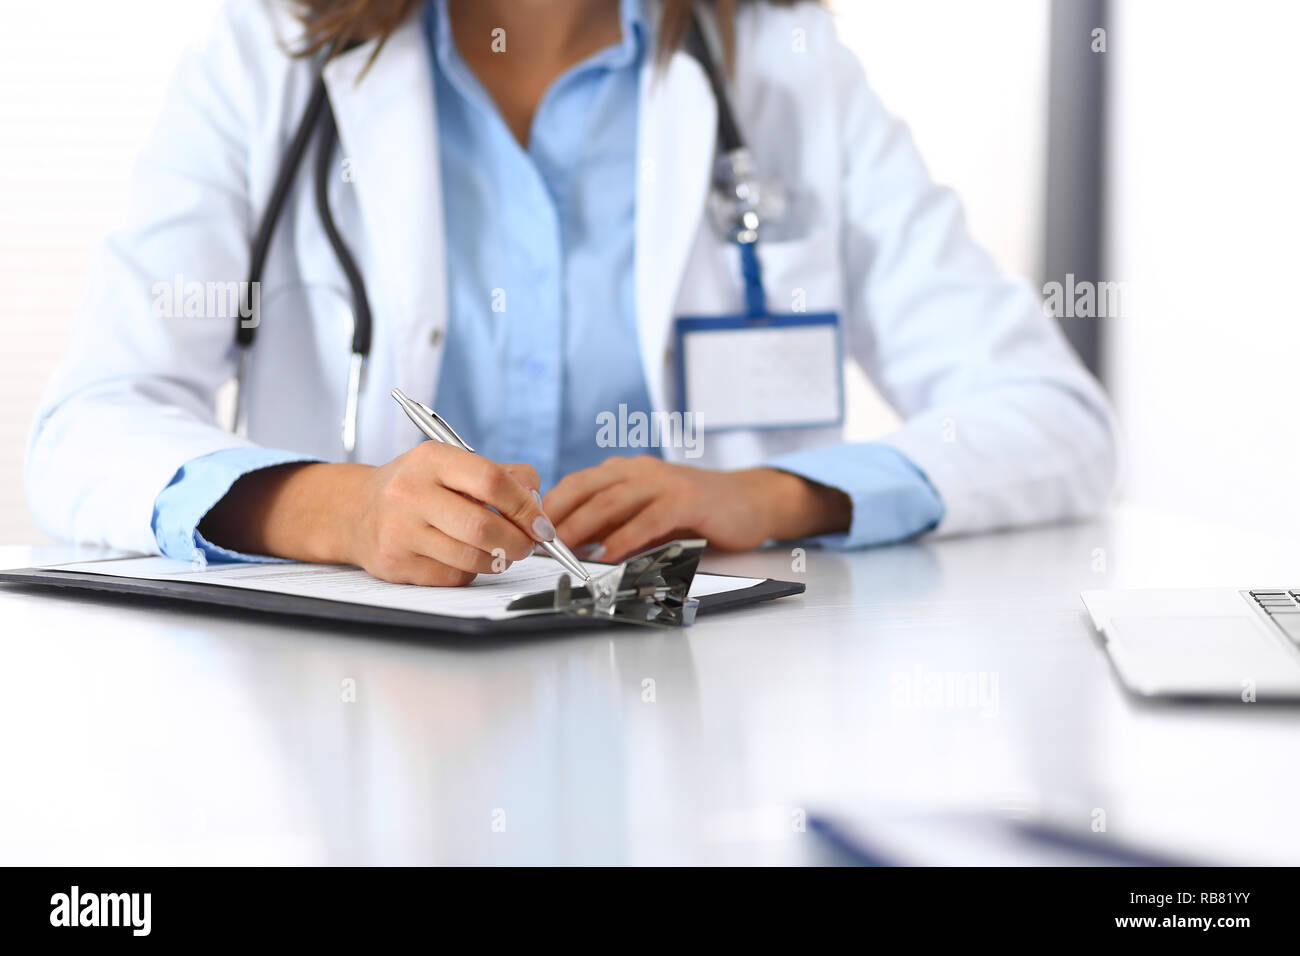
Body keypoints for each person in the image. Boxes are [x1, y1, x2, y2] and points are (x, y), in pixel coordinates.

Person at [25, 0, 1115, 586]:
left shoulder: (784, 62)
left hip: (713, 714)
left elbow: (1052, 421)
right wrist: (341, 510)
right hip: (364, 716)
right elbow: (85, 429)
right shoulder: (268, 55)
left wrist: (766, 496)